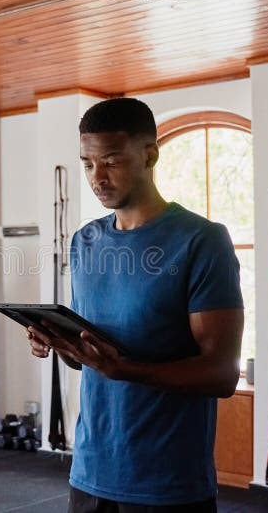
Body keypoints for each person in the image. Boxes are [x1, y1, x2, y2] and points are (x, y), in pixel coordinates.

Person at [27, 98, 244, 512]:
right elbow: (92, 353)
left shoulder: (202, 241)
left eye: (111, 161)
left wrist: (125, 370)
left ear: (150, 154)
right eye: (87, 163)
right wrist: (60, 341)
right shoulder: (84, 242)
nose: (97, 177)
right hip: (90, 472)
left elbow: (221, 374)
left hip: (168, 481)